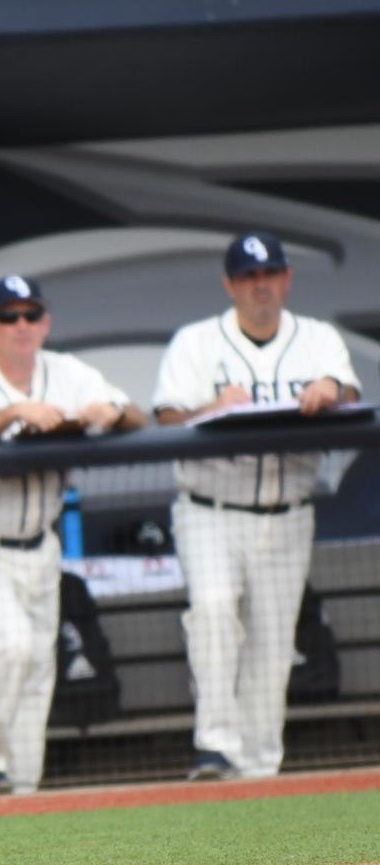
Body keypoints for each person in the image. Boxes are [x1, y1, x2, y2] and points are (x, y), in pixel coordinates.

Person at [152, 232, 360, 782]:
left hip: (287, 510)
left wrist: (331, 388)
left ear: (286, 278)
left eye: (270, 273)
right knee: (213, 610)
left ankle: (260, 768)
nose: (260, 284)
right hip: (211, 507)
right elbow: (167, 418)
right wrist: (211, 406)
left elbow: (351, 395)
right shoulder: (196, 342)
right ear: (230, 285)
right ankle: (215, 747)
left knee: (272, 644)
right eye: (248, 276)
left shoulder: (317, 340)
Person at [0, 275, 146, 795]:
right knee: (11, 645)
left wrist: (112, 413)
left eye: (31, 315)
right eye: (9, 317)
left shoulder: (68, 372)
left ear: (45, 323)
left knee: (39, 667)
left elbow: (137, 416)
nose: (21, 325)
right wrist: (12, 413)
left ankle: (23, 786)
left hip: (40, 544)